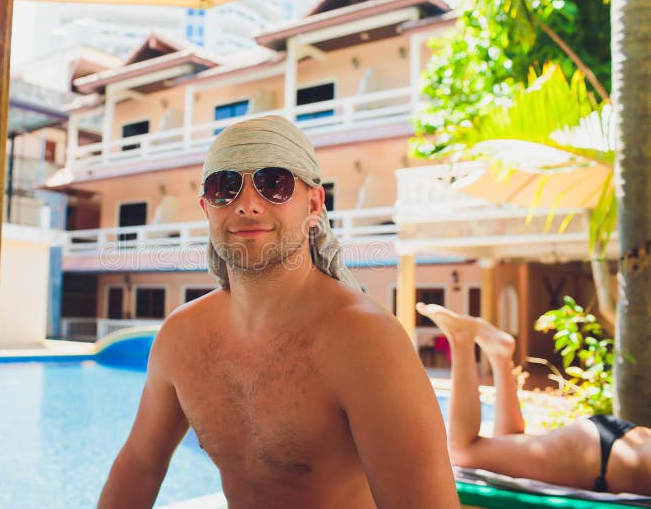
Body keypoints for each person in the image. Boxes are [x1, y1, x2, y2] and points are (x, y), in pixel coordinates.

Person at [98, 116, 459, 508]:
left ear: (314, 203)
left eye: (274, 184)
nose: (247, 205)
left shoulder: (366, 342)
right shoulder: (181, 337)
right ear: (206, 208)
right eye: (225, 188)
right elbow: (139, 465)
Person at [415, 302, 651, 496]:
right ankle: (462, 339)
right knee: (464, 451)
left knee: (507, 445)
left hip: (612, 447)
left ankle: (500, 355)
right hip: (601, 457)